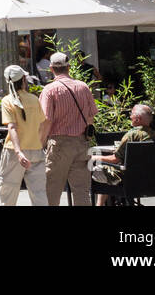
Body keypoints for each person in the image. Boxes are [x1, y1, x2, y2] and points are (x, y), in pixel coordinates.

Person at [39, 50, 98, 206]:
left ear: (51, 68)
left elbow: (46, 120)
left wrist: (40, 143)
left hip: (59, 144)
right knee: (82, 191)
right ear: (69, 67)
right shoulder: (83, 87)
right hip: (81, 143)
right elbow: (91, 116)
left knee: (52, 190)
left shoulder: (49, 90)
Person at [91, 104, 155, 206]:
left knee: (98, 169)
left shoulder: (131, 135)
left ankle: (99, 204)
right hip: (150, 181)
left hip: (127, 182)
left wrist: (95, 158)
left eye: (131, 114)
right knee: (106, 171)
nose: (130, 117)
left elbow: (115, 159)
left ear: (138, 119)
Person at [0, 64, 49, 206]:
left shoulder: (7, 101)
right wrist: (39, 143)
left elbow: (12, 127)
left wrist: (19, 152)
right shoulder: (34, 99)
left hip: (14, 152)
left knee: (8, 193)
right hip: (35, 150)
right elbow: (43, 124)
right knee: (39, 193)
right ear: (23, 80)